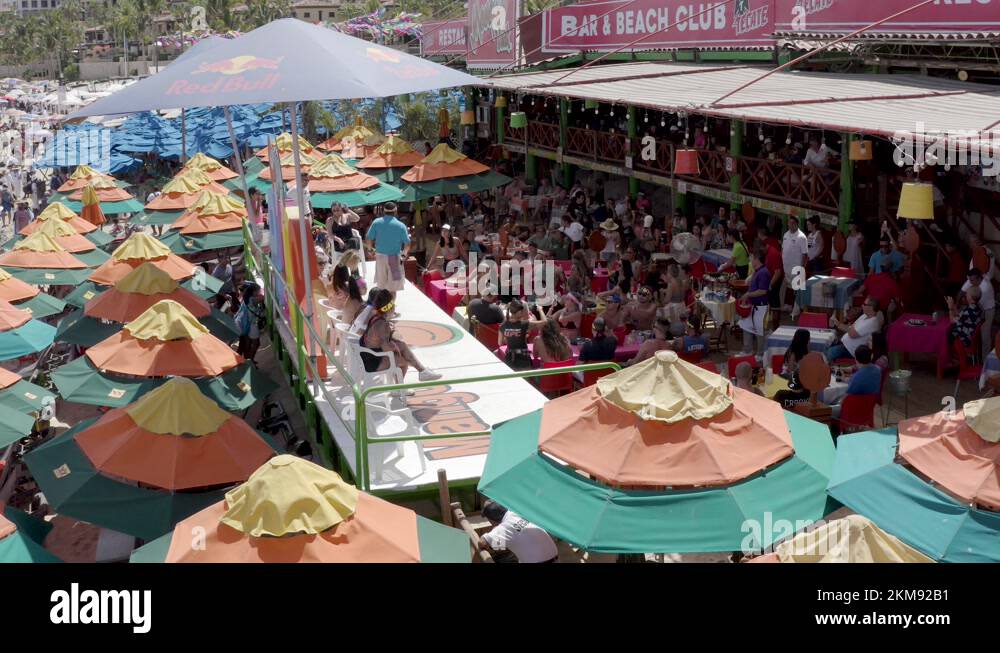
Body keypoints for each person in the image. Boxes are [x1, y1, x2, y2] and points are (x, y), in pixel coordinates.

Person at [358, 288, 441, 384]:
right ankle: (400, 386)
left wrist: (397, 344)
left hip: (367, 355)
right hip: (371, 362)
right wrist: (395, 347)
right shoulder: (382, 324)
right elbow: (386, 348)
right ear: (390, 308)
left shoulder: (376, 318)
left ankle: (422, 371)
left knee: (402, 346)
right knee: (404, 361)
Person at [480, 500, 559, 563]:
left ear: (491, 519)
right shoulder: (517, 513)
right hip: (555, 558)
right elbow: (504, 544)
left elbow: (482, 543)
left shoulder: (503, 528)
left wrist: (490, 543)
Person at [365, 202, 410, 300]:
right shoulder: (401, 225)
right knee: (393, 288)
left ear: (383, 211)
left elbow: (369, 238)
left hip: (380, 257)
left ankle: (383, 308)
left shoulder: (376, 222)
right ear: (395, 211)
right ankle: (391, 309)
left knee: (381, 286)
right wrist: (404, 255)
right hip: (394, 257)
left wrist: (370, 250)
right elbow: (407, 244)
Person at [827, 297, 883, 361]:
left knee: (828, 353)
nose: (862, 305)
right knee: (826, 347)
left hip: (850, 350)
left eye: (864, 304)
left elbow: (852, 334)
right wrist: (837, 323)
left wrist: (839, 324)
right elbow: (850, 328)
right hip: (844, 345)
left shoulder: (872, 322)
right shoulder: (864, 316)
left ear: (871, 307)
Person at [738, 249, 771, 356]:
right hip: (753, 305)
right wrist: (747, 295)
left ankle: (760, 354)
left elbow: (763, 291)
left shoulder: (763, 272)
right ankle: (747, 350)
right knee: (745, 326)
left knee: (759, 331)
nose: (750, 260)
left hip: (761, 306)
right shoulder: (758, 271)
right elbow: (754, 288)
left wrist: (748, 294)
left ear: (756, 260)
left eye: (751, 258)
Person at [498, 299, 542, 370]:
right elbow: (544, 322)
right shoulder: (525, 323)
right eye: (522, 311)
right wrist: (540, 310)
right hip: (523, 359)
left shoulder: (503, 326)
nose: (522, 313)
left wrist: (510, 337)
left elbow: (500, 343)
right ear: (518, 312)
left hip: (510, 359)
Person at [961, 267, 995, 358]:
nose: (970, 283)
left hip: (988, 310)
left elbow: (974, 303)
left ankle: (985, 361)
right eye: (969, 280)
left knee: (985, 336)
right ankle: (975, 356)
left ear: (979, 279)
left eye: (972, 280)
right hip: (980, 309)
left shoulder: (984, 288)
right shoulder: (976, 279)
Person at [780, 216, 809, 314]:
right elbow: (783, 250)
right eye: (789, 223)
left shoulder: (802, 237)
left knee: (796, 289)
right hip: (786, 267)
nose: (790, 225)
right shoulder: (785, 235)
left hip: (797, 267)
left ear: (797, 224)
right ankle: (788, 305)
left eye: (793, 223)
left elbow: (805, 254)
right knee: (788, 287)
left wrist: (802, 268)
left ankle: (796, 309)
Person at [235, 282, 264, 363]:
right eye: (258, 291)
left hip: (246, 324)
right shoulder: (252, 299)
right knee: (255, 344)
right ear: (254, 291)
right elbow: (263, 297)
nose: (259, 292)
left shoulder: (246, 299)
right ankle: (250, 361)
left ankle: (248, 360)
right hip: (252, 325)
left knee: (247, 344)